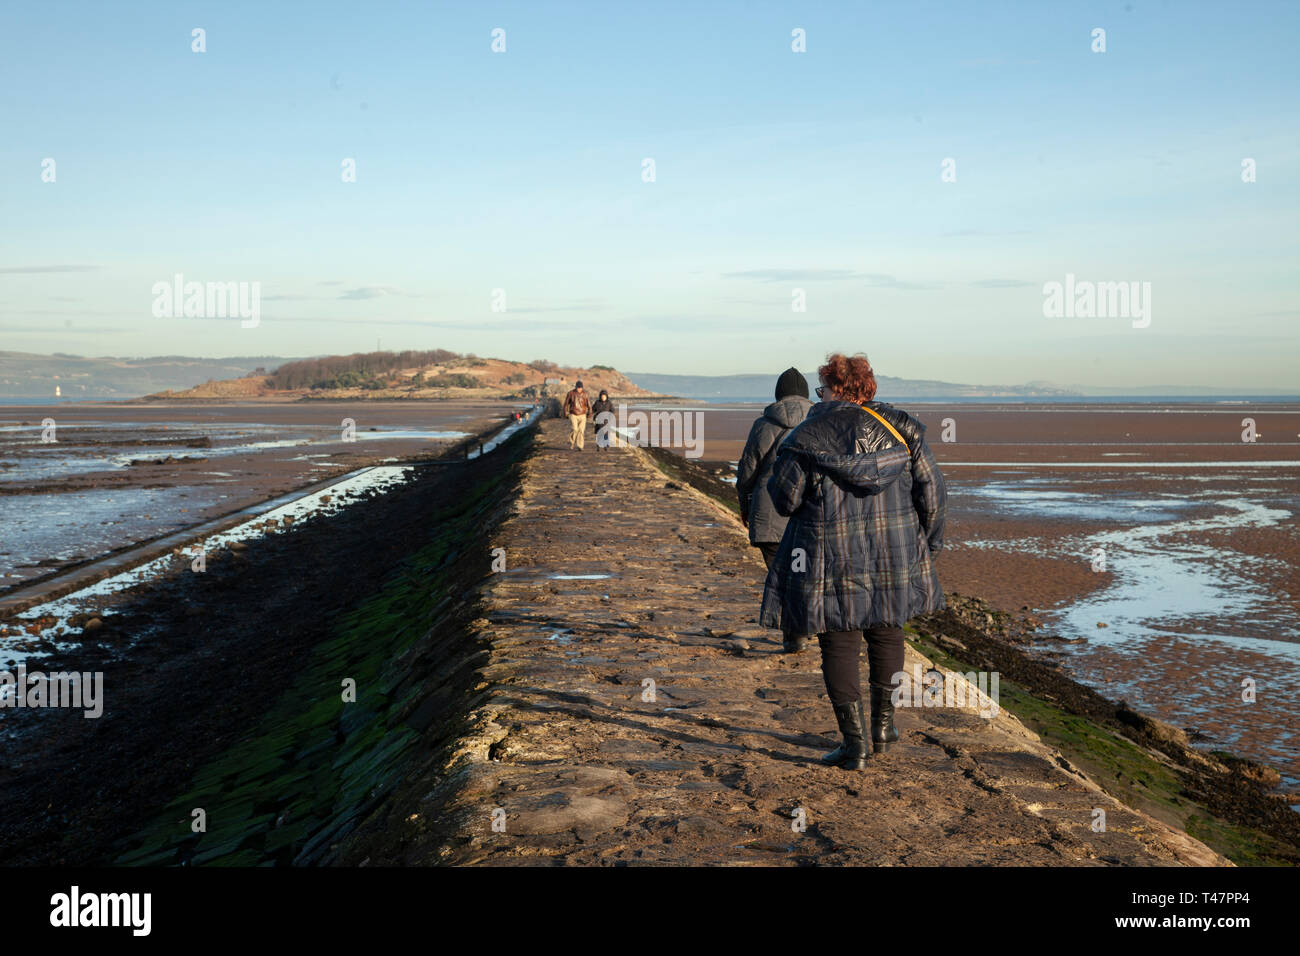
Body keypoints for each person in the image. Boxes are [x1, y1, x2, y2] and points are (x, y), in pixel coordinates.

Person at [760, 352, 946, 770]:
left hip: (830, 557)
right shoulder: (902, 430)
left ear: (836, 389)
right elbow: (933, 496)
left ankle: (855, 743)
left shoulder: (808, 435)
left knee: (839, 640)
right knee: (887, 632)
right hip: (895, 554)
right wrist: (925, 549)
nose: (820, 394)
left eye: (823, 387)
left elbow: (784, 501)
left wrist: (781, 474)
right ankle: (884, 726)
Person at [736, 367, 814, 652]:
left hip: (770, 513)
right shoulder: (821, 421)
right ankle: (802, 628)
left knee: (781, 575)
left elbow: (747, 472)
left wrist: (745, 506)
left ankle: (794, 633)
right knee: (805, 572)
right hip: (809, 514)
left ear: (778, 395)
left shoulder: (763, 425)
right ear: (806, 394)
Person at [562, 380, 590, 450]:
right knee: (575, 429)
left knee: (581, 430)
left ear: (582, 388)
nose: (579, 389)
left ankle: (580, 446)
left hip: (583, 415)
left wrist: (590, 412)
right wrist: (565, 412)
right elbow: (566, 404)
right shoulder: (571, 393)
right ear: (576, 387)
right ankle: (571, 442)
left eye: (580, 387)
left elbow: (589, 404)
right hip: (573, 414)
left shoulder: (585, 394)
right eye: (578, 387)